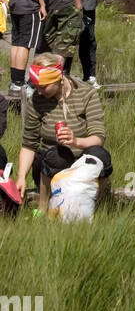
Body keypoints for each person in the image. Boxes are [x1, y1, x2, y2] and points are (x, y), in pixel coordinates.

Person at [16, 54, 112, 211]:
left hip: (82, 161)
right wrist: (21, 177)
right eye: (36, 87)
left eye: (43, 87)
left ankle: (95, 205)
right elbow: (29, 144)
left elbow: (98, 137)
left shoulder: (86, 94)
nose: (39, 92)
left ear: (58, 79)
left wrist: (76, 141)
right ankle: (42, 208)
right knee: (57, 155)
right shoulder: (37, 100)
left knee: (100, 155)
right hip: (50, 164)